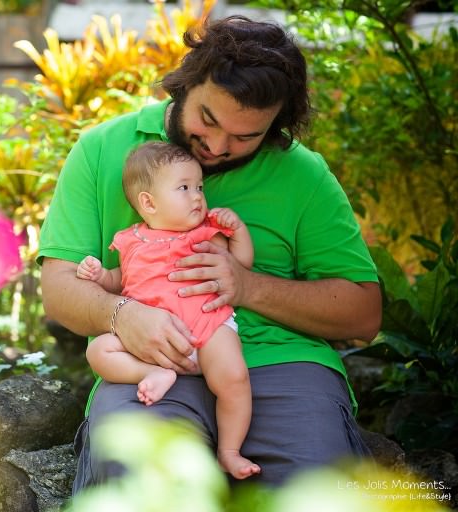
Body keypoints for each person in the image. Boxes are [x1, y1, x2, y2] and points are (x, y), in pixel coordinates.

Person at [38, 15, 382, 489]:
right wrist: (121, 314)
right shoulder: (101, 150)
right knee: (141, 484)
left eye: (246, 136)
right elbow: (59, 290)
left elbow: (364, 313)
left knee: (312, 488)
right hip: (151, 366)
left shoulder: (305, 175)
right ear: (186, 83)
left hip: (283, 367)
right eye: (209, 119)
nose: (217, 146)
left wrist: (247, 286)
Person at [76, 141, 260, 479]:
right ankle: (150, 374)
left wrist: (238, 231)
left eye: (199, 187)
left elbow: (241, 263)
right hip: (151, 343)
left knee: (234, 377)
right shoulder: (131, 240)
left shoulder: (206, 234)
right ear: (149, 203)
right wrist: (100, 275)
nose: (197, 197)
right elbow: (120, 279)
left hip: (207, 329)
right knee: (99, 351)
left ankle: (229, 451)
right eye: (184, 188)